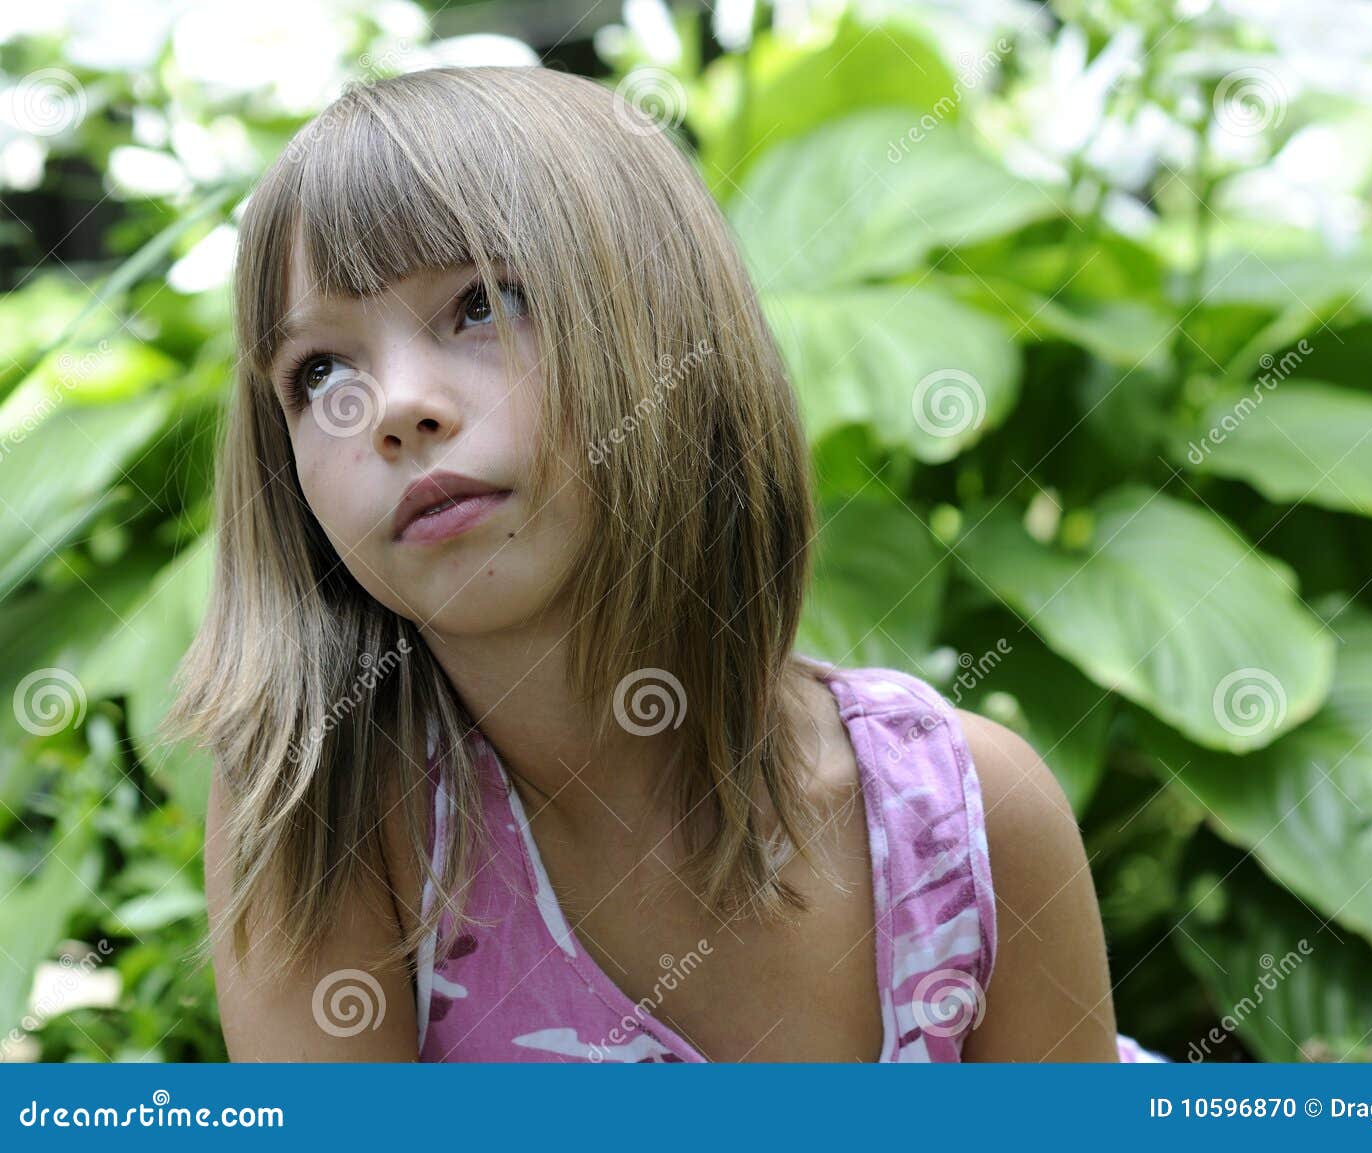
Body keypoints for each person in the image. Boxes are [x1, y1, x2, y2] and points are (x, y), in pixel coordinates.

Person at [167, 64, 1150, 1062]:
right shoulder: (329, 805)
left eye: (480, 303)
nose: (391, 406)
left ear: (670, 332)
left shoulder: (968, 821)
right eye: (317, 371)